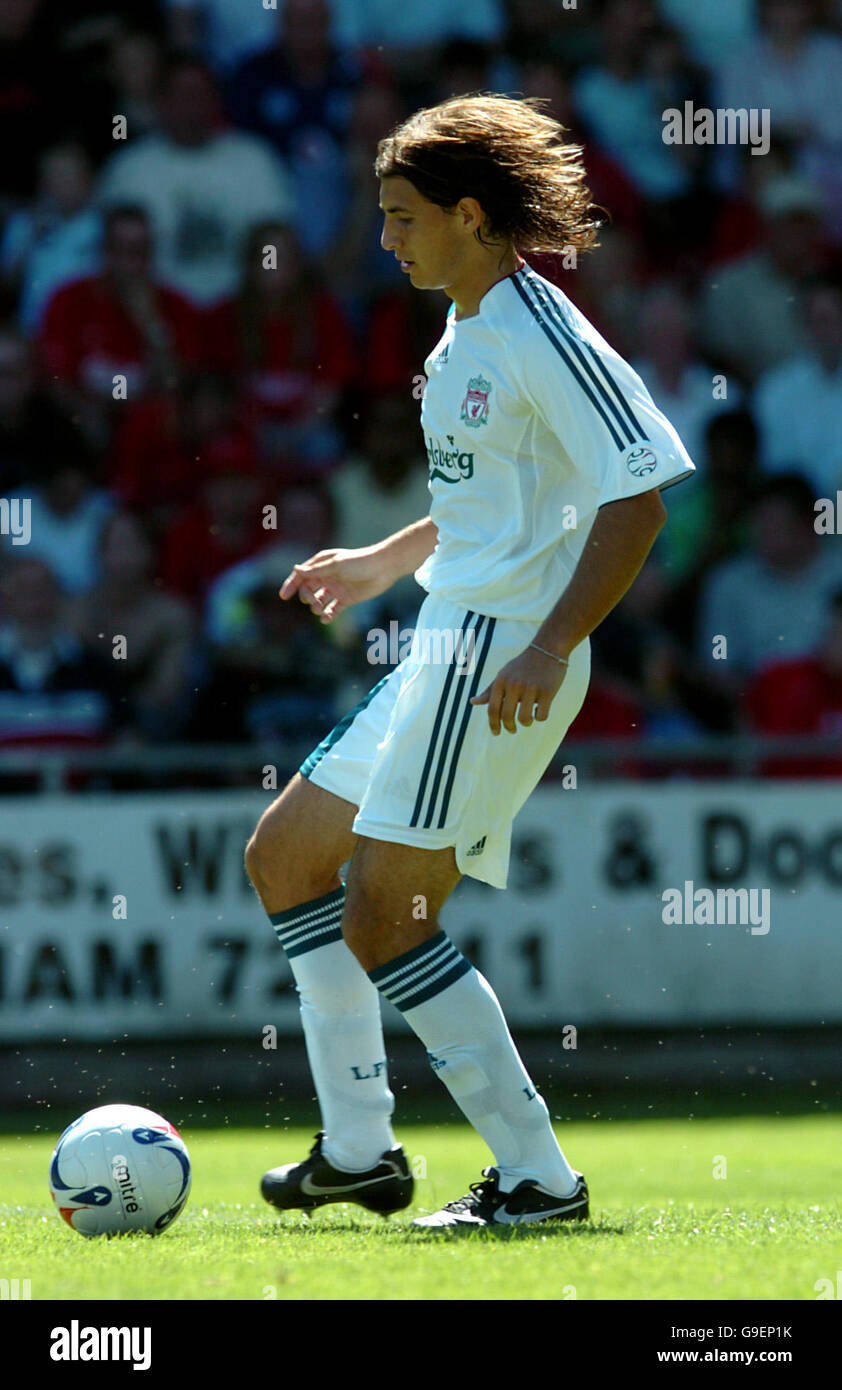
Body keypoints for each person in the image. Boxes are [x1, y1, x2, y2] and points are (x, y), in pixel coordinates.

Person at [244, 94, 694, 1230]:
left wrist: (549, 645)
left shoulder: (537, 329)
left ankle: (537, 1181)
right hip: (446, 639)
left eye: (401, 217)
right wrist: (380, 561)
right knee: (286, 858)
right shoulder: (463, 323)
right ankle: (359, 1151)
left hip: (496, 654)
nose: (385, 239)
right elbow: (494, 504)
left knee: (384, 915)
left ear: (470, 216)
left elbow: (636, 499)